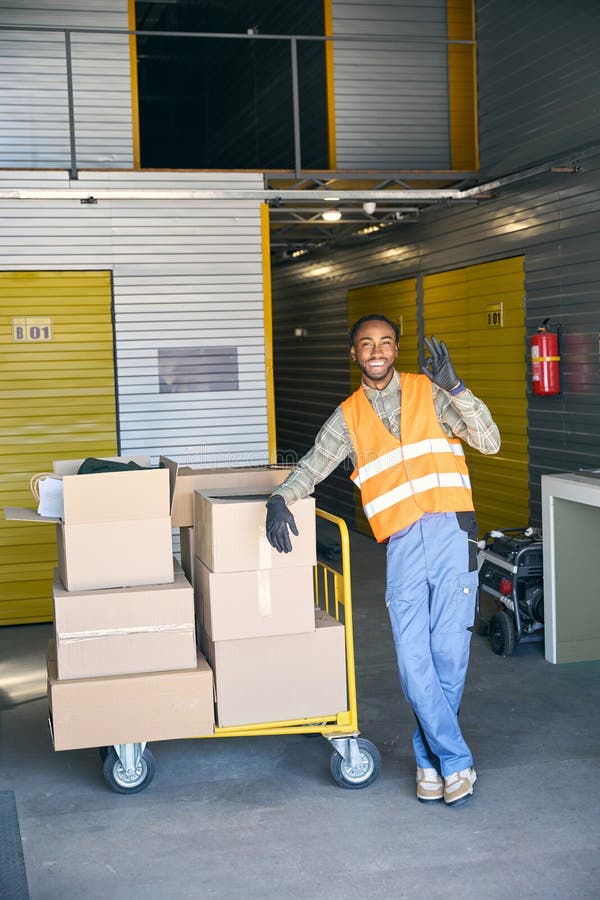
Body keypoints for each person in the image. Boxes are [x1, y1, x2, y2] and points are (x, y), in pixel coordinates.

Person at [265, 313, 500, 807]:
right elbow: (312, 464)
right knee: (414, 660)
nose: (377, 351)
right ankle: (454, 760)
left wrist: (456, 387)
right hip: (401, 544)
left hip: (452, 531)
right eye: (367, 344)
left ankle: (427, 759)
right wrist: (281, 498)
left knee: (449, 655)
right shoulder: (348, 417)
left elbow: (489, 440)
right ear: (355, 354)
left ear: (395, 350)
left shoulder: (431, 391)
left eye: (386, 343)